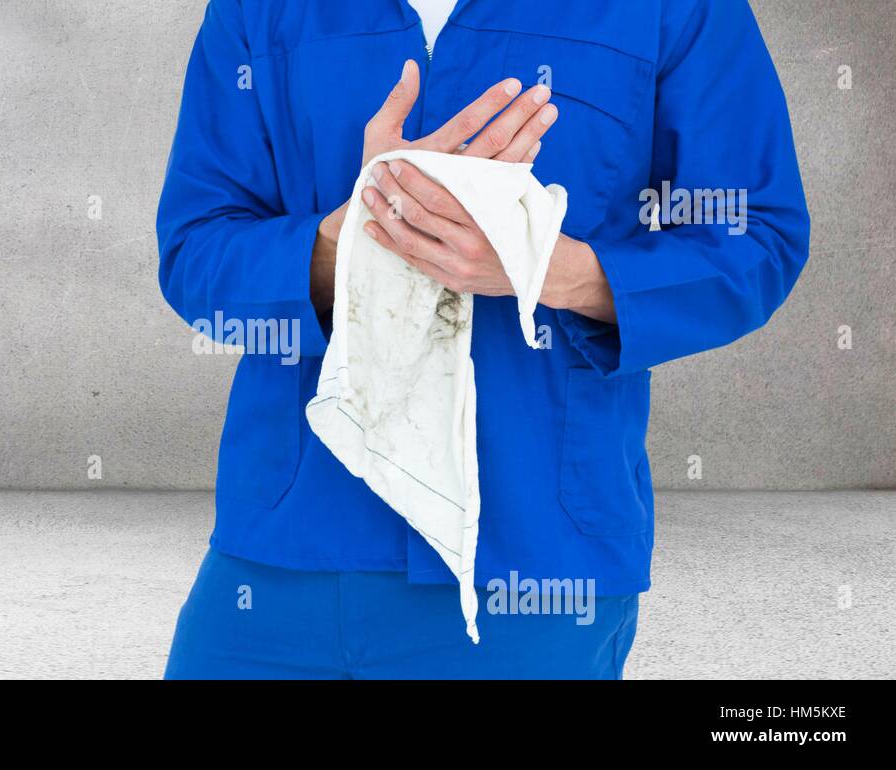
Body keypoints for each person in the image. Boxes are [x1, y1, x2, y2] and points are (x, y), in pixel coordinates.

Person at [155, 0, 809, 679]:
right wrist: (355, 237)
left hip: (534, 571)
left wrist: (549, 269)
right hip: (285, 551)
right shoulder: (257, 10)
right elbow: (195, 248)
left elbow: (757, 235)